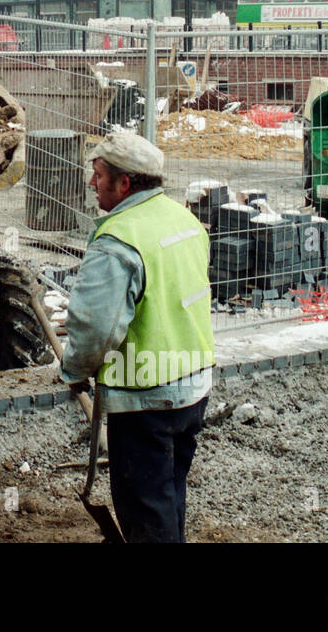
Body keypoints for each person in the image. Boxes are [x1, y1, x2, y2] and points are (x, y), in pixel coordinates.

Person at [60, 132, 214, 543]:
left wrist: (75, 370)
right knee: (169, 494)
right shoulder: (185, 221)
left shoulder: (118, 240)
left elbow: (96, 328)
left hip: (146, 396)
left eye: (98, 175)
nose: (92, 183)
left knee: (146, 511)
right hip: (194, 386)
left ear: (124, 183)